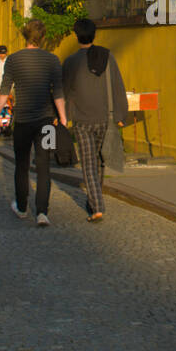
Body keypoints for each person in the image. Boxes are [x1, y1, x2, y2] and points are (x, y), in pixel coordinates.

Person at [0, 20, 67, 228]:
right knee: (44, 167)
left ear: (25, 36)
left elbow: (4, 91)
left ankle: (22, 207)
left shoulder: (13, 60)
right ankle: (42, 212)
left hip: (23, 121)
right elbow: (58, 92)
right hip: (46, 122)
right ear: (42, 37)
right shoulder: (52, 60)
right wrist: (63, 117)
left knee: (21, 165)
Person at [61, 18, 130, 223]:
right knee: (99, 162)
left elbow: (65, 91)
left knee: (89, 164)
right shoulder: (108, 57)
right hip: (105, 119)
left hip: (82, 120)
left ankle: (97, 206)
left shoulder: (71, 62)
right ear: (94, 34)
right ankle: (94, 201)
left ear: (76, 36)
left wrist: (62, 117)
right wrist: (120, 115)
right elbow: (118, 85)